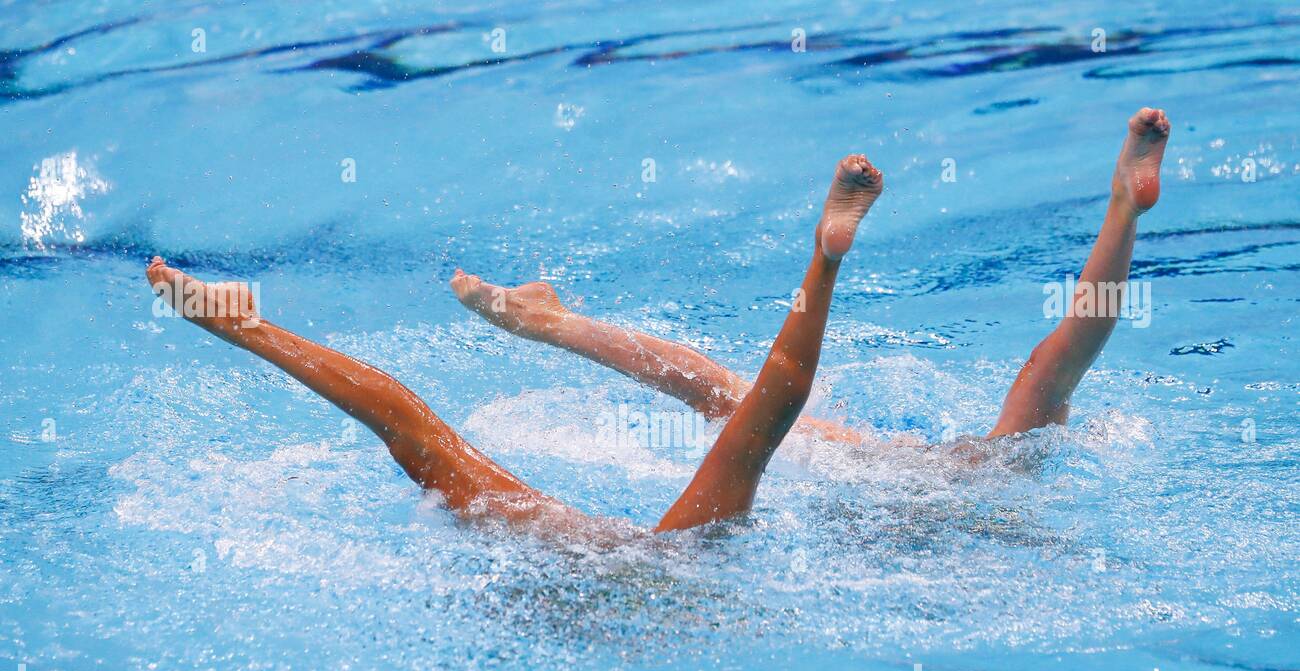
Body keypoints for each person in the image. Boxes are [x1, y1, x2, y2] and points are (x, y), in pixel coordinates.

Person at [146, 108, 1169, 537]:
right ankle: (247, 327)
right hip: (652, 550)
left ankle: (816, 258)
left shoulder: (993, 474)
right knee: (748, 402)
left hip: (698, 549)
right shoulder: (1001, 481)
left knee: (751, 405)